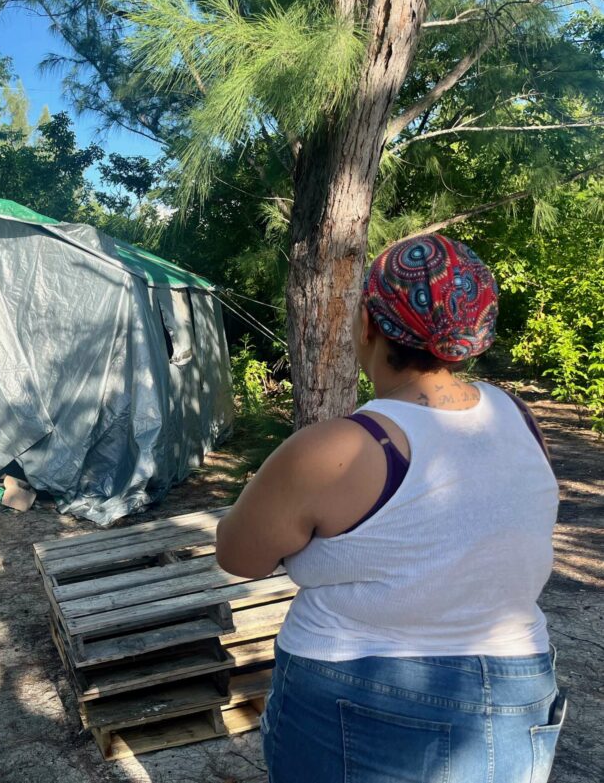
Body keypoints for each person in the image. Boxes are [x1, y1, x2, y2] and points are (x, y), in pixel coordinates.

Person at [215, 234, 566, 783]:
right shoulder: (517, 417)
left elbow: (238, 555)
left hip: (358, 691)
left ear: (368, 325)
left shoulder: (337, 448)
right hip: (517, 685)